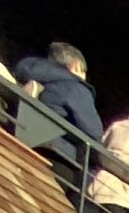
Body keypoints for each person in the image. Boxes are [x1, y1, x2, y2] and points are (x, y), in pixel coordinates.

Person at [11, 41, 100, 195]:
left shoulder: (30, 74)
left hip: (23, 141)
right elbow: (94, 132)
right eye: (83, 71)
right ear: (75, 66)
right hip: (59, 156)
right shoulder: (75, 87)